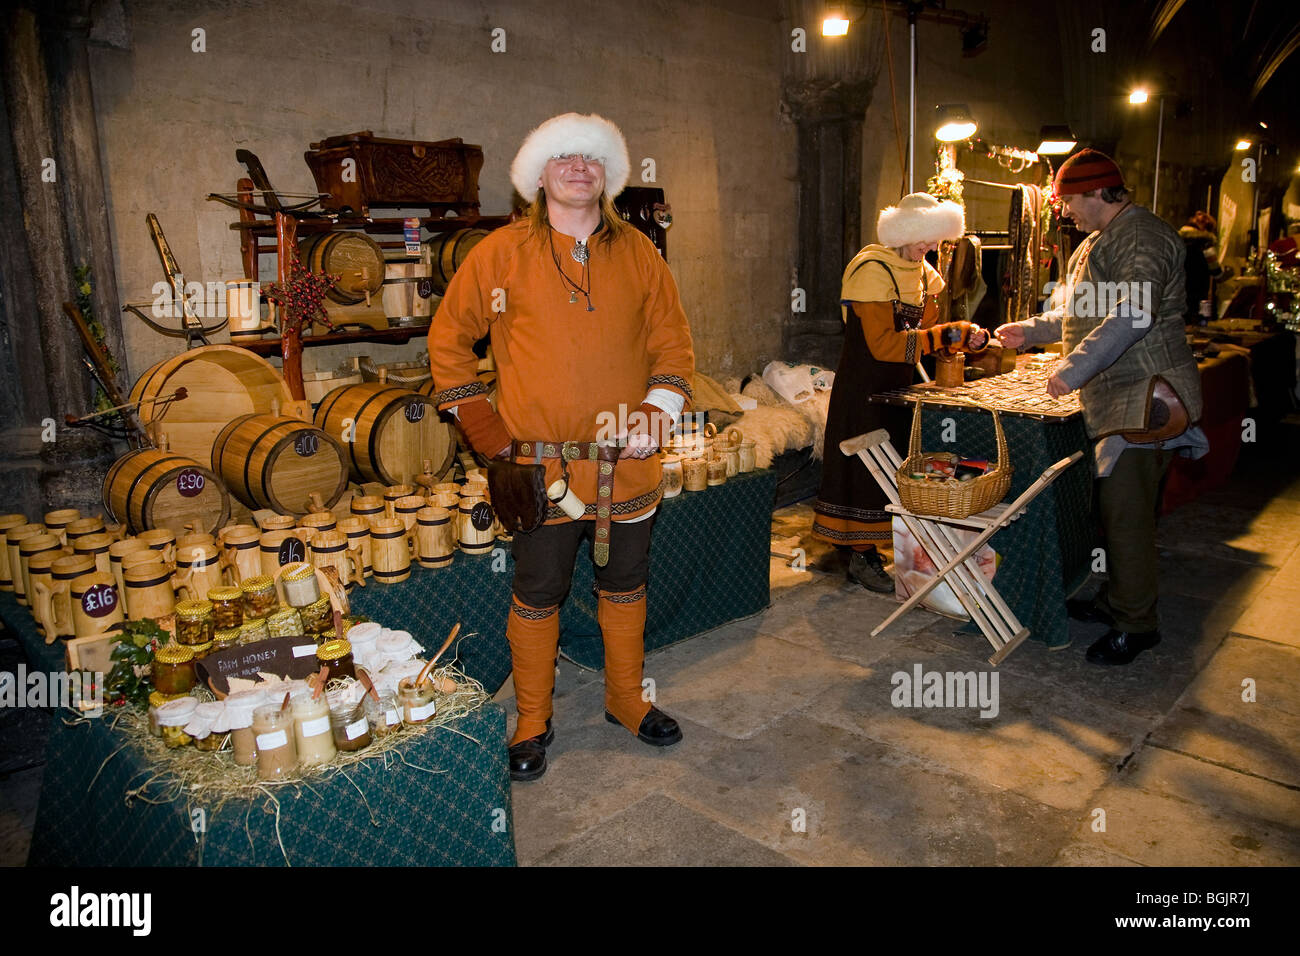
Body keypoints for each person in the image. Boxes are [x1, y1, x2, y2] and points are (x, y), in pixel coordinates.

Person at [427, 113, 695, 780]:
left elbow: (673, 347)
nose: (580, 168)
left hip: (628, 463)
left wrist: (660, 409)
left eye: (593, 159)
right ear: (537, 177)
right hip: (538, 467)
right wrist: (489, 436)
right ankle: (531, 719)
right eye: (564, 159)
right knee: (539, 589)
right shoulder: (498, 255)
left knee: (626, 582)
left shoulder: (640, 254)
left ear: (609, 174)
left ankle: (626, 699)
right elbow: (448, 342)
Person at [995, 148, 1207, 665]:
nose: (1063, 210)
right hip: (1117, 395)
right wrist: (1032, 331)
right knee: (1114, 510)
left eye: (1068, 200)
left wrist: (1072, 370)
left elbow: (1134, 314)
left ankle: (1137, 626)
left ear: (1096, 193)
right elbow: (1079, 312)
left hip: (1146, 396)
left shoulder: (1142, 235)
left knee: (1125, 513)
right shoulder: (1097, 242)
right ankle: (1118, 600)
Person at [813, 192, 989, 591]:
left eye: (938, 240)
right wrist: (946, 333)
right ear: (903, 232)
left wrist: (959, 340)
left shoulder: (923, 274)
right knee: (862, 470)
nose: (931, 248)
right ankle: (861, 554)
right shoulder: (871, 270)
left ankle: (880, 545)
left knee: (892, 467)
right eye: (925, 238)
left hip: (899, 388)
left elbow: (923, 335)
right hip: (864, 388)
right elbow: (884, 345)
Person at [1177, 211, 1222, 322]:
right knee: (1199, 320)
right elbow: (1216, 271)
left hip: (1178, 290)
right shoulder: (1205, 243)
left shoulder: (1177, 241)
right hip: (1199, 290)